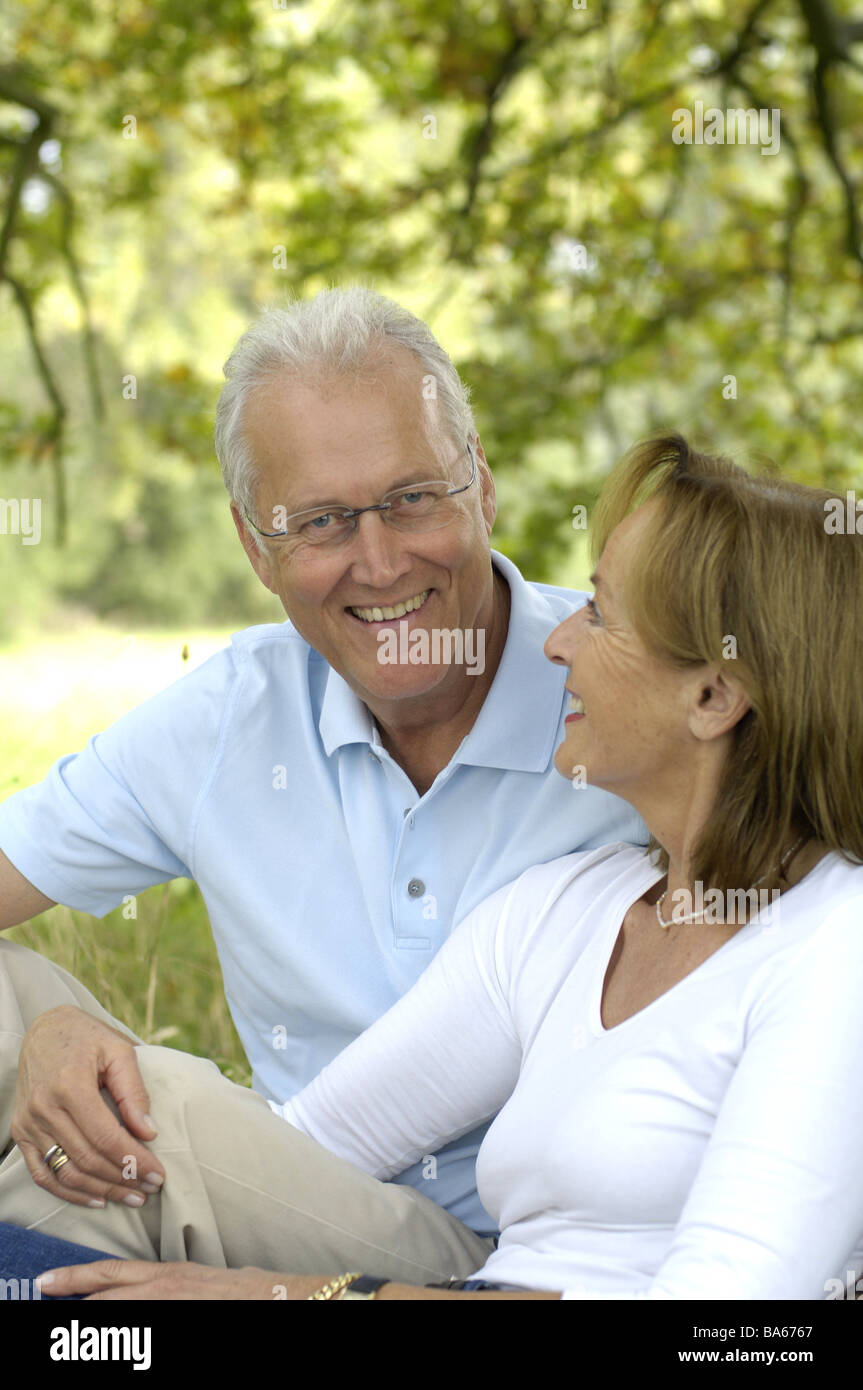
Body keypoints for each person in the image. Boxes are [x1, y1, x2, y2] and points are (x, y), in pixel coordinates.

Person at [4, 432, 863, 1301]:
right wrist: (65, 1042)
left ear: (714, 696)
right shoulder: (571, 908)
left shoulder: (833, 945)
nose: (557, 641)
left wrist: (302, 1301)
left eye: (600, 615)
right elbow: (290, 1154)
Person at [0, 288, 643, 1243]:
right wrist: (50, 1042)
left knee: (111, 1157)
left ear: (483, 488)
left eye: (413, 499)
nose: (379, 564)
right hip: (292, 1177)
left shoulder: (629, 689)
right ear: (253, 546)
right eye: (320, 523)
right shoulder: (231, 714)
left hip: (516, 1250)